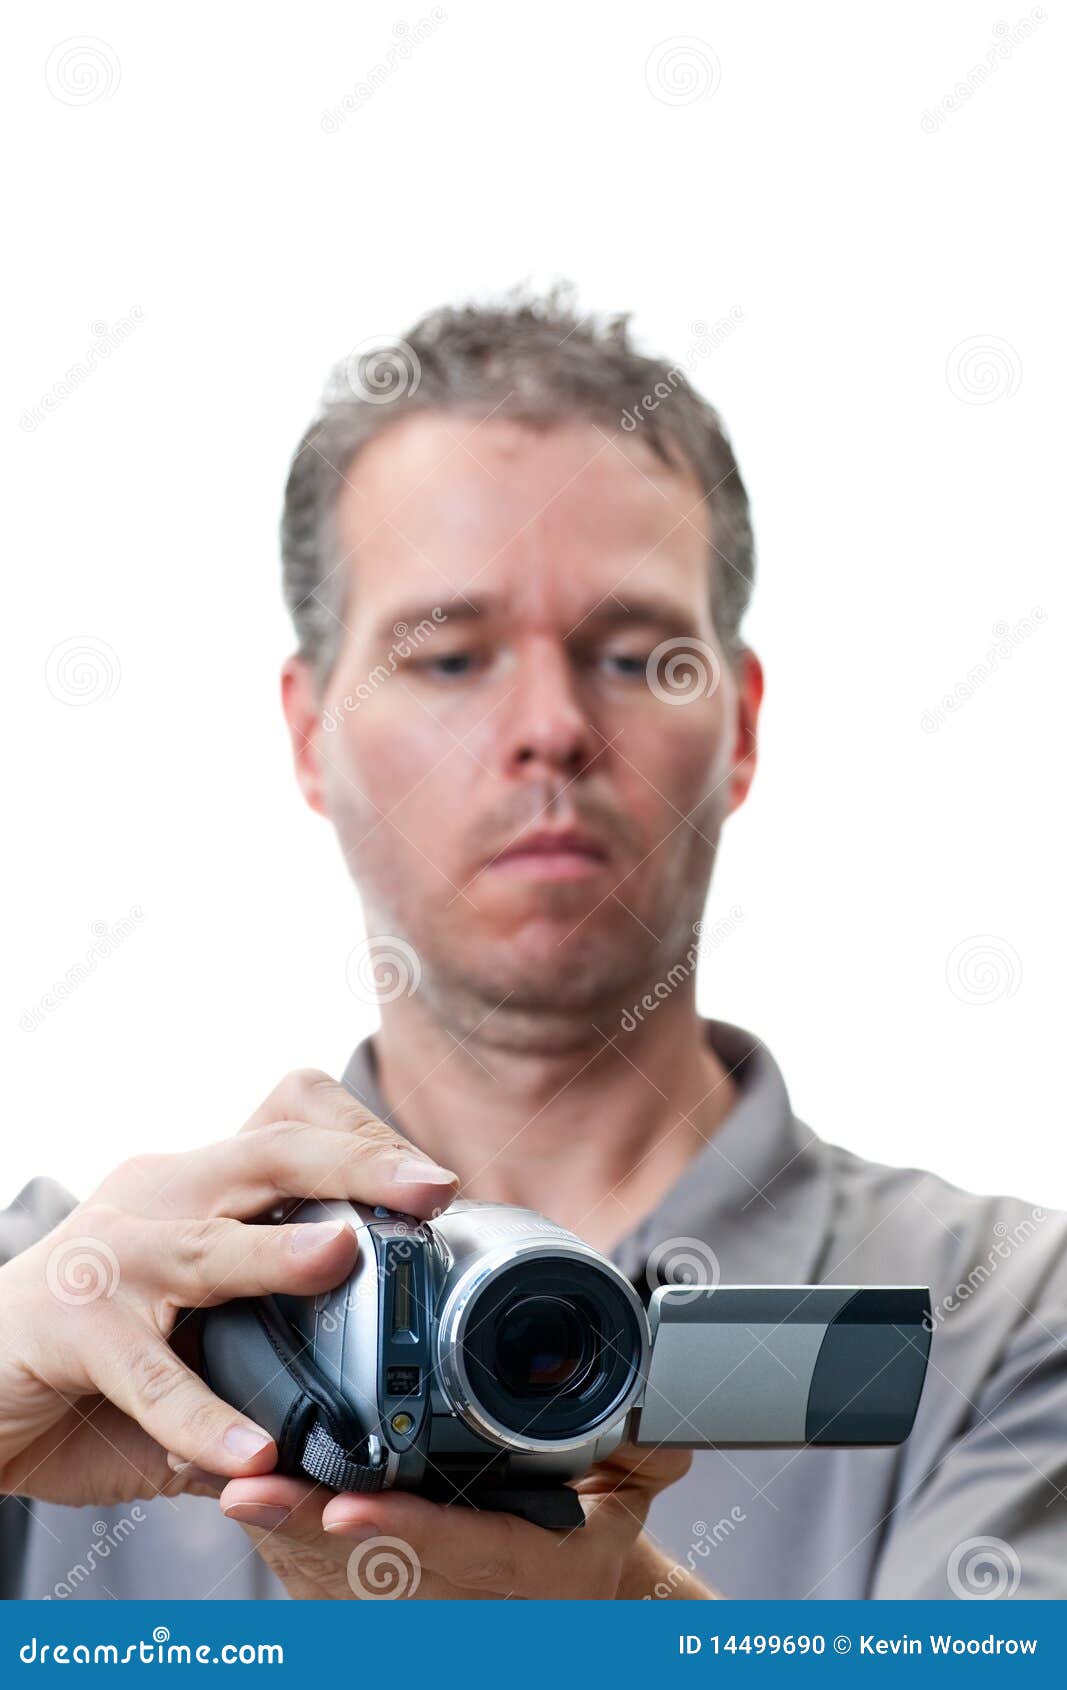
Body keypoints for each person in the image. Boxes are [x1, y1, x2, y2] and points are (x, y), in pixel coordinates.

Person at [2, 288, 1064, 1602]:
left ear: (737, 725)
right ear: (306, 732)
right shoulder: (67, 1306)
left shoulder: (1007, 1317)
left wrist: (613, 1633)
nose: (551, 726)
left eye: (633, 656)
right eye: (450, 658)